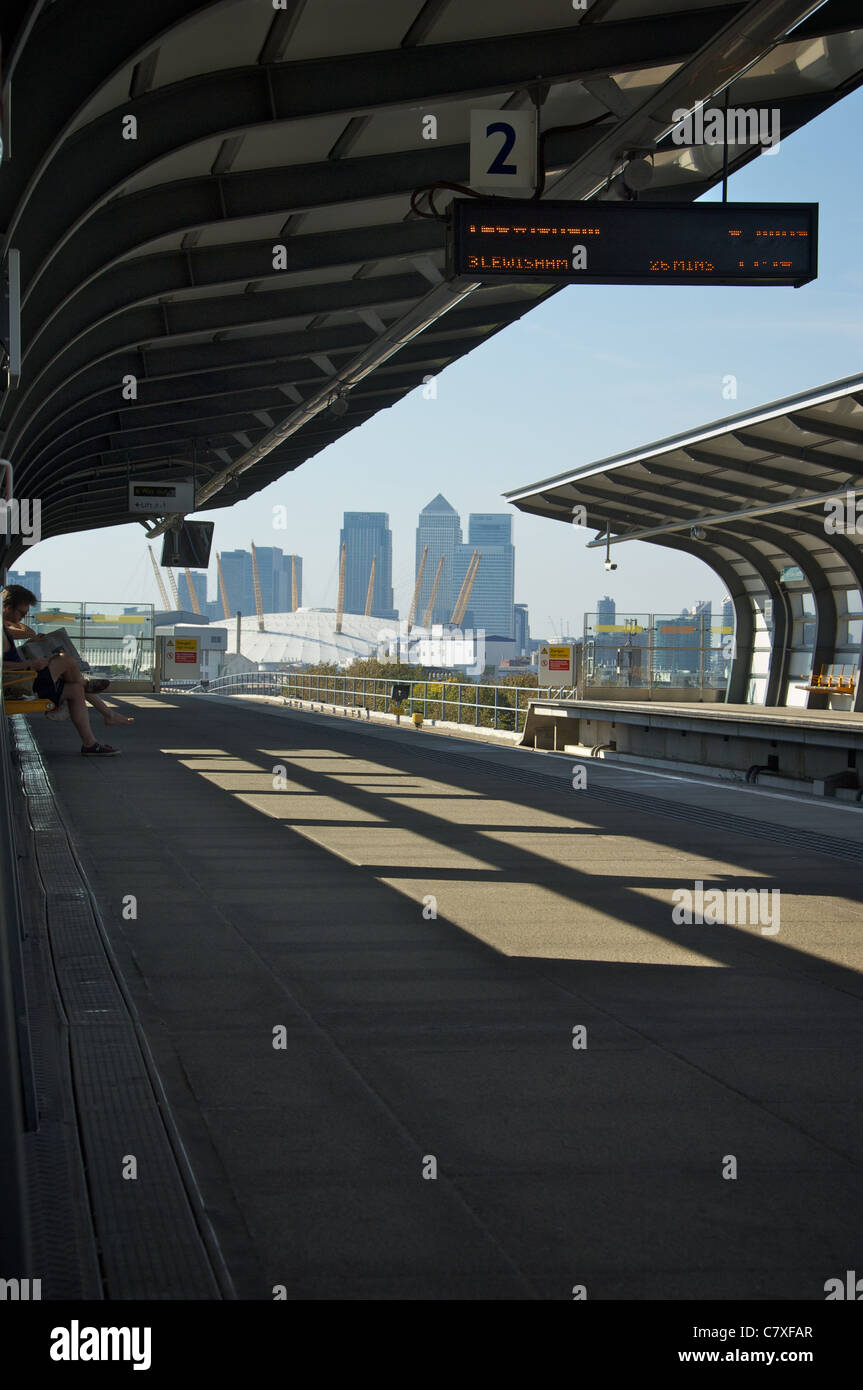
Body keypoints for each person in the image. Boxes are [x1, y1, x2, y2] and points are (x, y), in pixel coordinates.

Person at [3, 585, 133, 756]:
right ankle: (90, 692)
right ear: (7, 607)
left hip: (22, 677)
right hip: (19, 682)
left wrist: (30, 643)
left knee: (75, 690)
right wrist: (32, 664)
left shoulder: (4, 629)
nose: (24, 616)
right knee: (65, 659)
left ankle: (91, 743)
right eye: (22, 613)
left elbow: (23, 636)